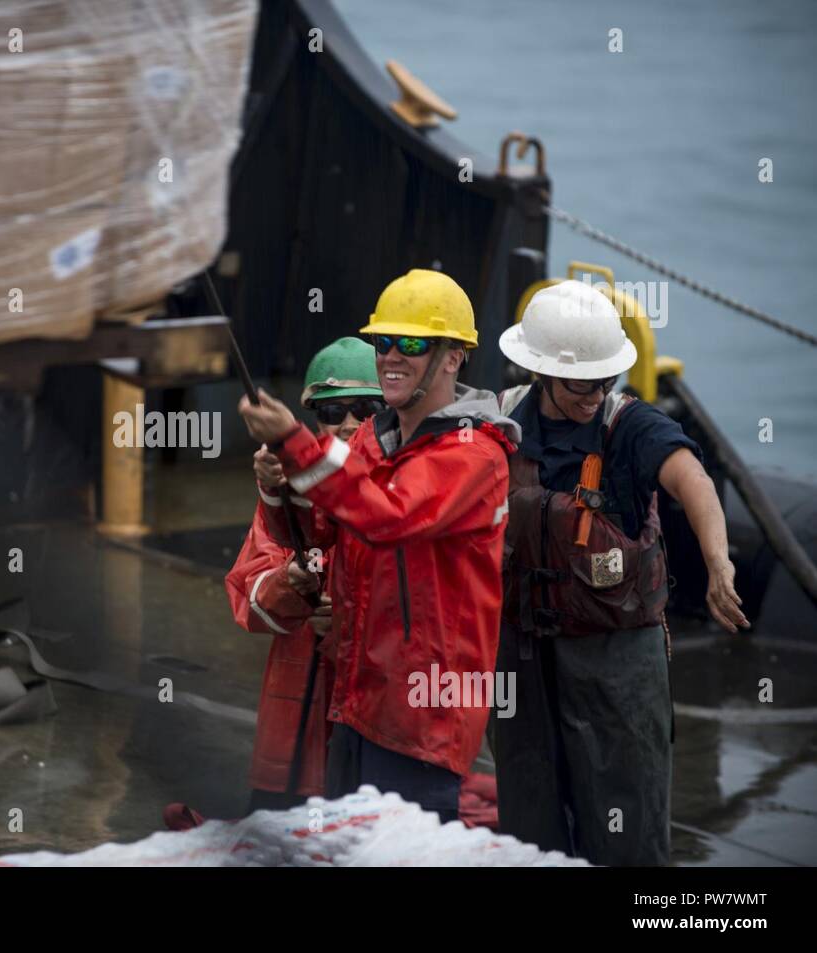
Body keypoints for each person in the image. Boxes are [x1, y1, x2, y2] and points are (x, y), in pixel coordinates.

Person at [238, 270, 520, 823]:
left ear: (453, 357)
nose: (391, 356)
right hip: (356, 704)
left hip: (422, 720)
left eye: (411, 344)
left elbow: (388, 517)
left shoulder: (475, 457)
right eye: (382, 342)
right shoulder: (374, 437)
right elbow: (326, 525)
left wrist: (297, 443)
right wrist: (280, 483)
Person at [492, 280, 748, 866]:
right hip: (524, 654)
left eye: (605, 378)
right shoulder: (499, 419)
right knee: (530, 818)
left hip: (616, 660)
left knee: (626, 823)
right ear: (540, 372)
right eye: (582, 381)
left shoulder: (629, 425)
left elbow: (694, 482)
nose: (595, 392)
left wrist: (717, 562)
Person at [226, 337, 385, 812]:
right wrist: (293, 586)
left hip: (376, 708)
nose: (350, 422)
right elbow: (249, 603)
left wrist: (351, 613)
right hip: (299, 710)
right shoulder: (285, 492)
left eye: (367, 407)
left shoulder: (406, 484)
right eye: (333, 411)